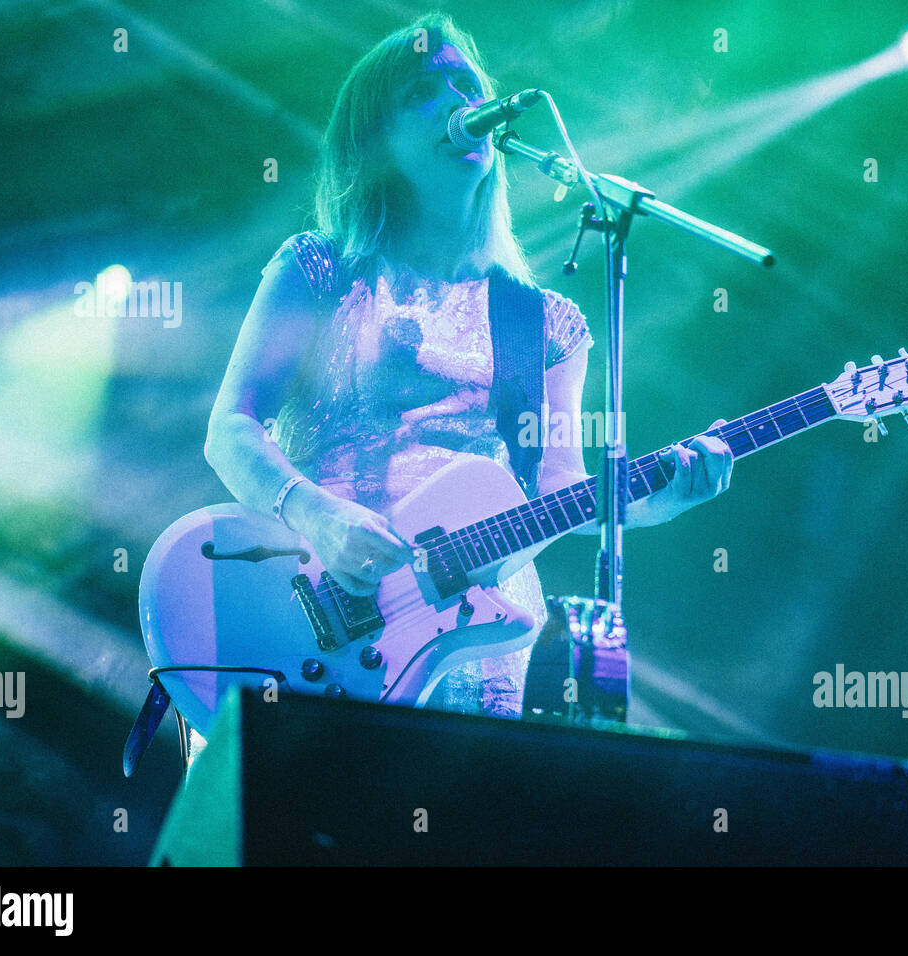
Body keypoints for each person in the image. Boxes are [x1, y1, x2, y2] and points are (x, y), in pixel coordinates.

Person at [203, 13, 733, 721]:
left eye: (467, 82)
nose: (460, 102)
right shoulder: (321, 269)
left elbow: (559, 489)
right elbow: (230, 428)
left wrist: (664, 499)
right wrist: (319, 515)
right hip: (318, 612)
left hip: (484, 637)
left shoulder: (542, 322)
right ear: (374, 139)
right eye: (426, 87)